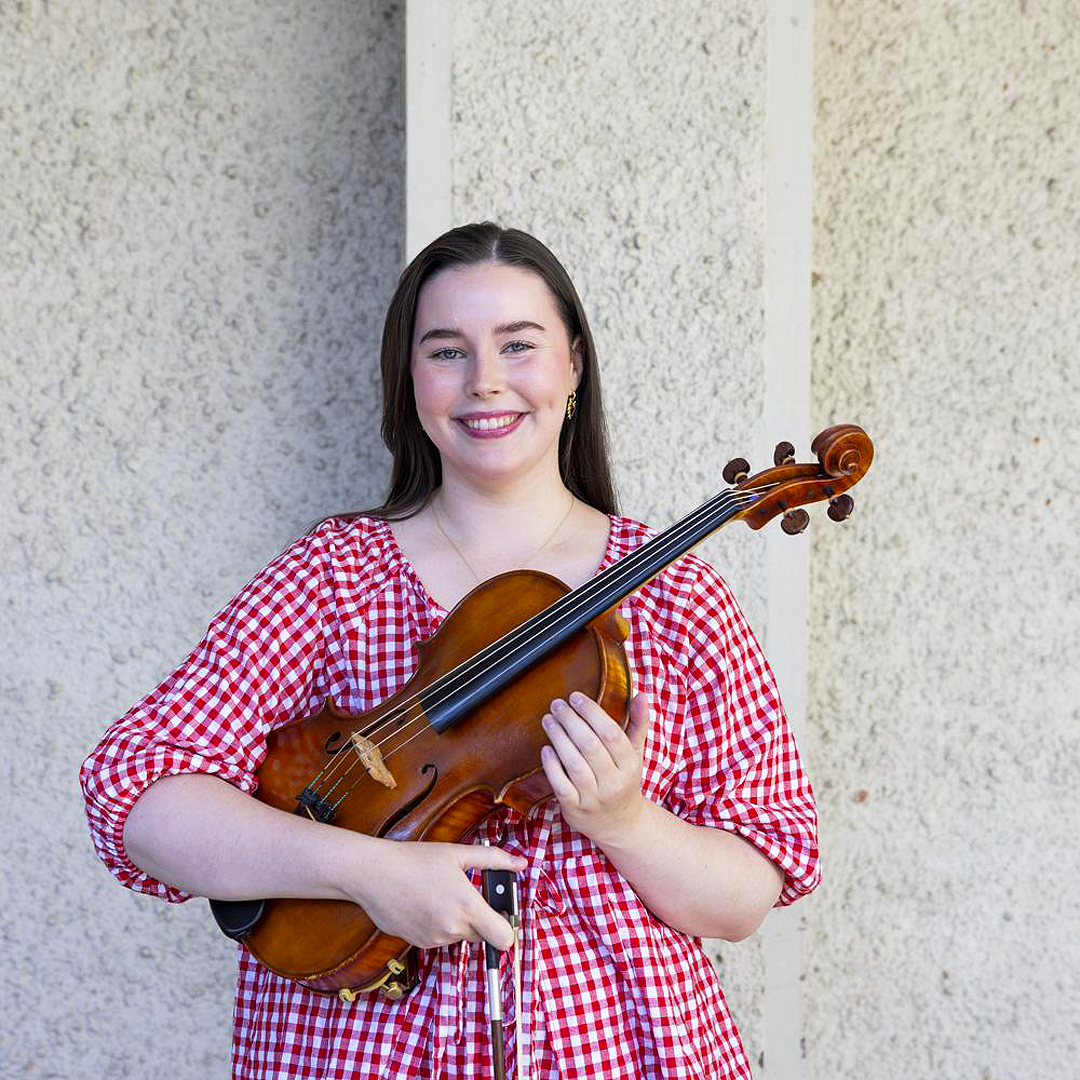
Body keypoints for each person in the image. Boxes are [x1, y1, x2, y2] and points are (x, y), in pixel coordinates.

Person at [80, 221, 819, 1079]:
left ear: (573, 366)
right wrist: (370, 870)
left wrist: (625, 821)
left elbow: (747, 896)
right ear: (410, 377)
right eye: (446, 350)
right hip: (353, 1054)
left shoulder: (677, 595)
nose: (486, 382)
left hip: (619, 1049)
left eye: (519, 344)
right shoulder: (334, 578)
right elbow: (134, 794)